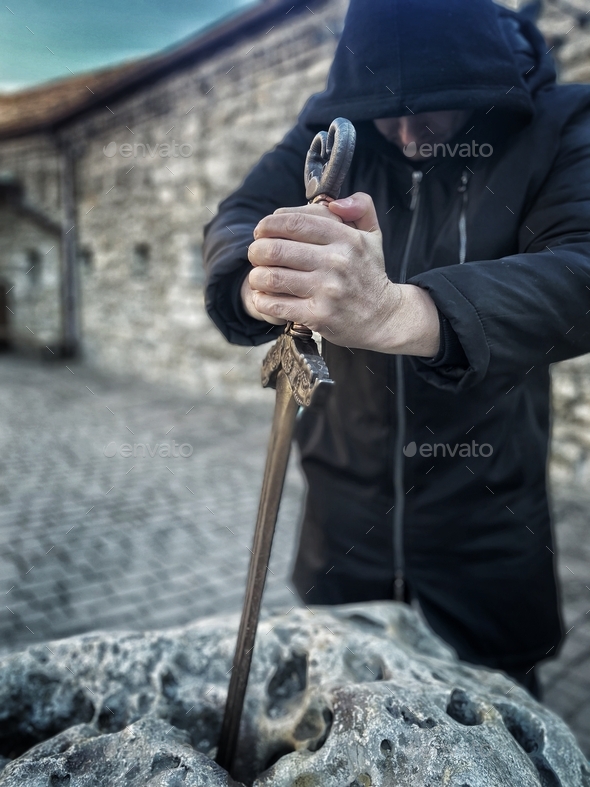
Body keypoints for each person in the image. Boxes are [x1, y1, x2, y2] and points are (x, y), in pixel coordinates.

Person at [203, 0, 590, 696]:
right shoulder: (332, 130)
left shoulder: (560, 124)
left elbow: (583, 270)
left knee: (492, 727)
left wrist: (400, 310)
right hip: (342, 506)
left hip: (486, 514)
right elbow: (235, 218)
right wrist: (263, 278)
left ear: (484, 82)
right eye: (390, 113)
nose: (410, 134)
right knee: (336, 716)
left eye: (439, 110)